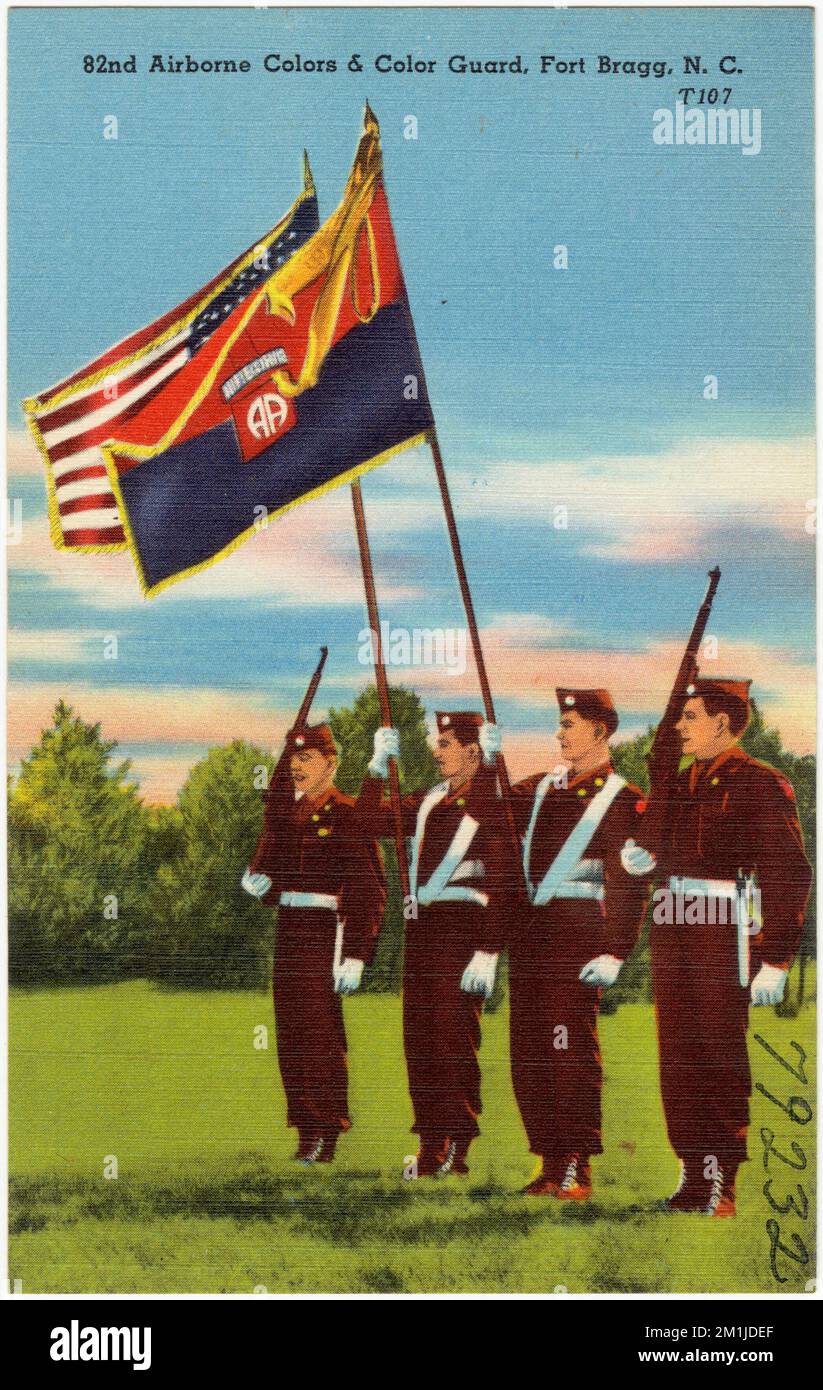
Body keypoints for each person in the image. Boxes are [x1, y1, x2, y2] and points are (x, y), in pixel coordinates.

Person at [622, 677, 812, 1216]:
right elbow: (656, 842)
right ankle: (691, 1175)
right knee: (677, 1054)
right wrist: (644, 859)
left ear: (723, 724)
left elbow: (789, 874)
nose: (679, 727)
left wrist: (775, 957)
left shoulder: (759, 782)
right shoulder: (678, 781)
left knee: (716, 1053)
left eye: (691, 717)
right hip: (672, 919)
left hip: (721, 924)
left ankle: (719, 1181)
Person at [489, 689, 647, 1199]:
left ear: (600, 732)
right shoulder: (539, 788)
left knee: (568, 1048)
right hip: (532, 934)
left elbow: (627, 882)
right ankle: (549, 1160)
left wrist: (617, 949)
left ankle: (577, 1163)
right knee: (530, 1049)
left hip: (579, 935)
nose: (559, 734)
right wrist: (489, 763)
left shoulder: (622, 798)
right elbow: (488, 813)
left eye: (569, 724)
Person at [356, 712, 510, 1177]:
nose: (435, 751)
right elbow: (365, 823)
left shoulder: (493, 802)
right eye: (435, 743)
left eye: (445, 744)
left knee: (453, 1040)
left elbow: (505, 880)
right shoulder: (427, 800)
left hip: (465, 926)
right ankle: (429, 1143)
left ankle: (457, 1146)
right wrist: (375, 769)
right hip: (423, 928)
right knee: (420, 1039)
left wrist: (489, 949)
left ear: (472, 750)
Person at [241, 723, 386, 1164]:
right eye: (294, 759)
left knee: (321, 1034)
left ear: (331, 762)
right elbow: (275, 872)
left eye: (308, 758)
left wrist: (357, 954)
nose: (298, 767)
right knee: (291, 1034)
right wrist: (260, 883)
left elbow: (370, 889)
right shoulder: (284, 816)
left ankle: (327, 1128)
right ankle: (305, 1127)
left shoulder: (348, 812)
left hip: (328, 931)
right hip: (290, 927)